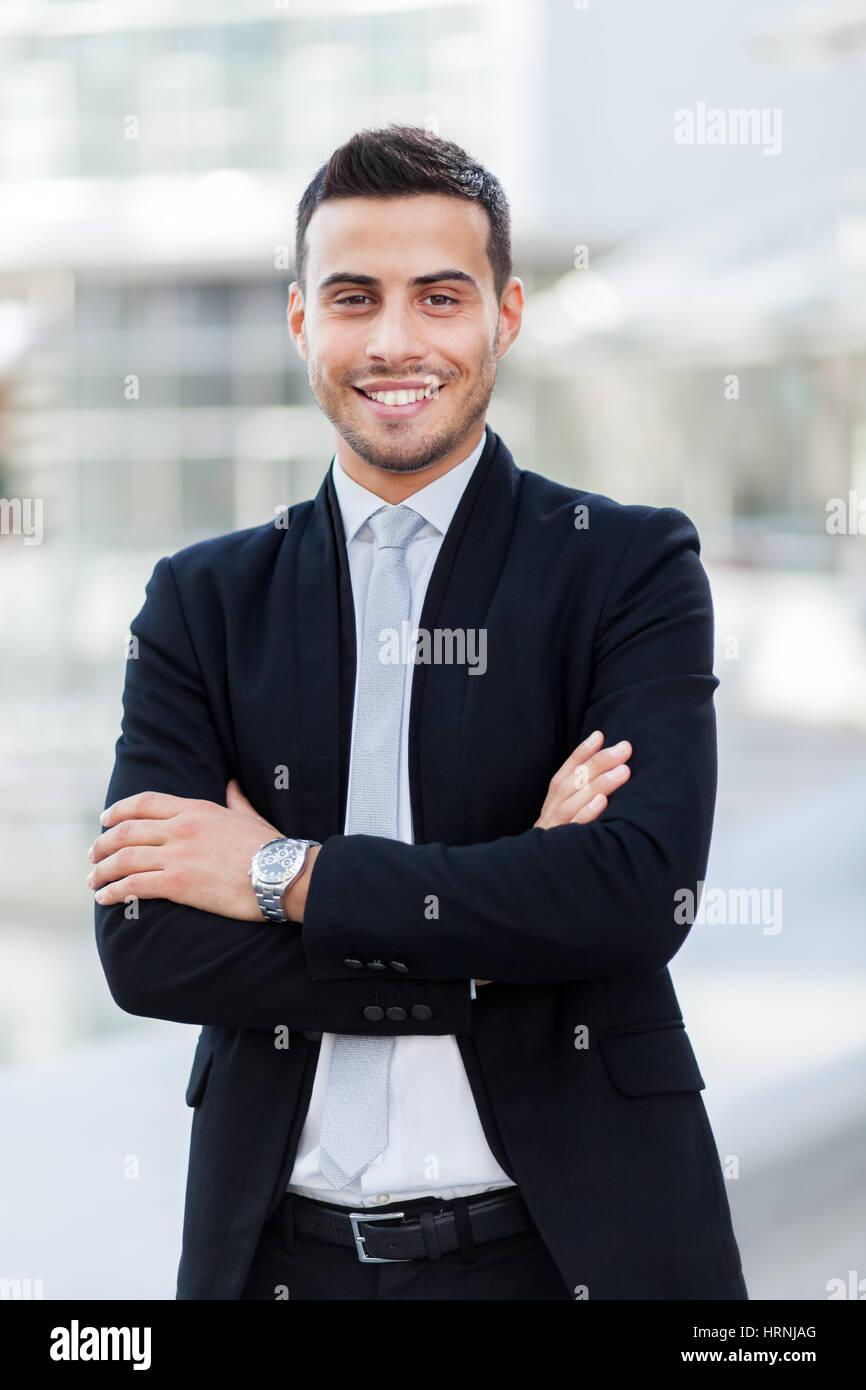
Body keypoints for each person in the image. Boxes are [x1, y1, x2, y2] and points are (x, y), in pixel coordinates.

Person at [90, 124, 747, 1301]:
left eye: (437, 297)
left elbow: (638, 894)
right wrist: (508, 917)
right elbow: (148, 947)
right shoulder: (202, 599)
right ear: (301, 322)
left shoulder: (628, 567)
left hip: (570, 1251)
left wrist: (279, 873)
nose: (395, 341)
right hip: (277, 1261)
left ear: (504, 314)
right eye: (354, 298)